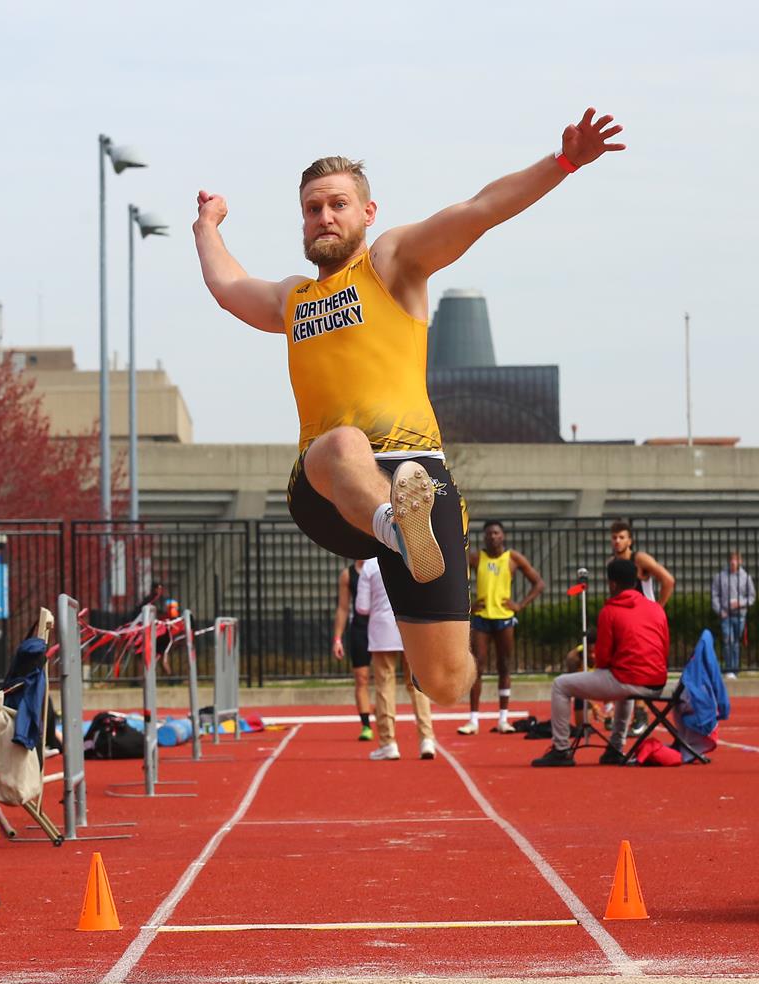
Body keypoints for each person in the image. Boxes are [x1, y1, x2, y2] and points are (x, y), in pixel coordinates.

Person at [193, 107, 625, 706]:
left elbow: (477, 211)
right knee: (344, 442)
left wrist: (564, 162)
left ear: (368, 213)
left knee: (447, 681)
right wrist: (206, 225)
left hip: (418, 471)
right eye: (313, 208)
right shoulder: (295, 297)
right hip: (327, 483)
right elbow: (227, 286)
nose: (324, 217)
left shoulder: (390, 263)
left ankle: (407, 530)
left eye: (338, 204)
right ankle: (394, 525)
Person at [530, 558, 669, 767]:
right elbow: (664, 647)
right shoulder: (656, 608)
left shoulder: (610, 611)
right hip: (657, 683)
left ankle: (561, 749)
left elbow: (602, 658)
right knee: (626, 681)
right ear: (635, 580)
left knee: (560, 685)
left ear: (612, 584)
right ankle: (615, 747)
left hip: (628, 680)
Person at [460, 520, 545, 734]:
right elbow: (455, 579)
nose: (492, 537)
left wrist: (519, 605)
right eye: (488, 534)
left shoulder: (513, 558)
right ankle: (473, 720)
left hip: (504, 618)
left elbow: (538, 583)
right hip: (481, 617)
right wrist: (468, 603)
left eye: (496, 533)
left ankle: (503, 719)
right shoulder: (476, 558)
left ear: (503, 536)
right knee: (476, 666)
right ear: (484, 537)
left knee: (504, 666)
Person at [355, 556, 436, 761]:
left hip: (383, 629)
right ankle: (426, 738)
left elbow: (362, 607)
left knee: (384, 685)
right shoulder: (411, 558)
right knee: (417, 685)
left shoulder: (370, 566)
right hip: (411, 627)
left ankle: (388, 742)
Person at [330, 561, 373, 740]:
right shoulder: (347, 574)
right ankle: (366, 726)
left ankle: (384, 713)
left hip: (382, 627)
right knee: (361, 678)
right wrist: (337, 638)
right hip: (360, 629)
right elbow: (343, 607)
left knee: (385, 676)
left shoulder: (380, 567)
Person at [710, 551, 755, 679]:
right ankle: (729, 668)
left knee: (735, 642)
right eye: (732, 559)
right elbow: (715, 596)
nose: (733, 562)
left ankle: (735, 669)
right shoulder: (720, 577)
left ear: (740, 561)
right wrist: (720, 611)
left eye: (736, 559)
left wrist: (740, 603)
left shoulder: (746, 577)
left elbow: (751, 597)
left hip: (740, 614)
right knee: (727, 640)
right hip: (725, 614)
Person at [607, 520, 675, 604]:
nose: (617, 541)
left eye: (621, 537)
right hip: (624, 612)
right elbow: (613, 591)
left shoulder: (640, 559)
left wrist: (659, 608)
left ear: (629, 541)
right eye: (614, 537)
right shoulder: (611, 562)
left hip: (644, 611)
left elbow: (668, 580)